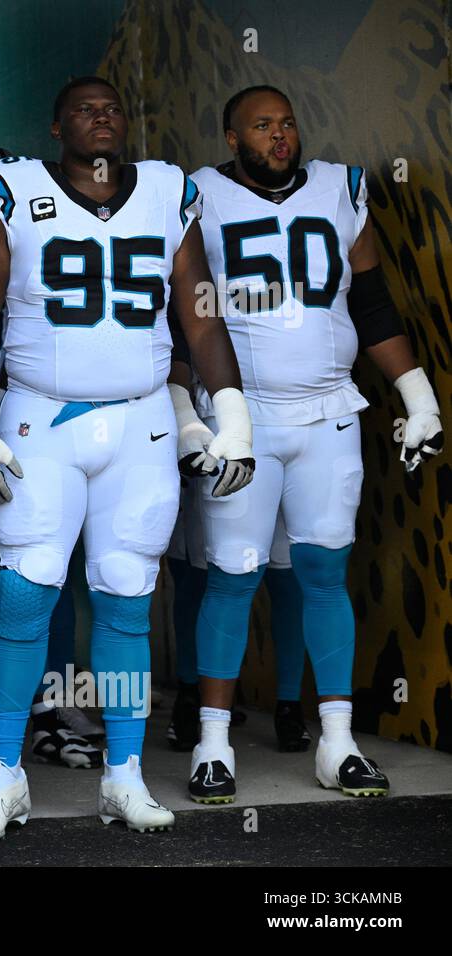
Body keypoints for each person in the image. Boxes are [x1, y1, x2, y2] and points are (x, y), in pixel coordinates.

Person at [0, 76, 255, 841]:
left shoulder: (163, 191)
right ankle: (4, 775)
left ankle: (123, 773)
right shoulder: (13, 191)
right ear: (55, 126)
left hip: (140, 422)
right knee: (24, 597)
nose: (102, 117)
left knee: (125, 597)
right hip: (38, 417)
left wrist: (233, 416)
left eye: (114, 107)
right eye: (85, 108)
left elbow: (200, 312)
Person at [182, 85, 442, 803]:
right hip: (244, 417)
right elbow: (181, 314)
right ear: (231, 139)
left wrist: (416, 393)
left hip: (329, 411)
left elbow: (371, 299)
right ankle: (212, 744)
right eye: (261, 126)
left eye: (287, 123)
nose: (279, 136)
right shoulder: (195, 196)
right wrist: (185, 411)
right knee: (232, 577)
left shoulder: (340, 188)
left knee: (325, 573)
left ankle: (337, 740)